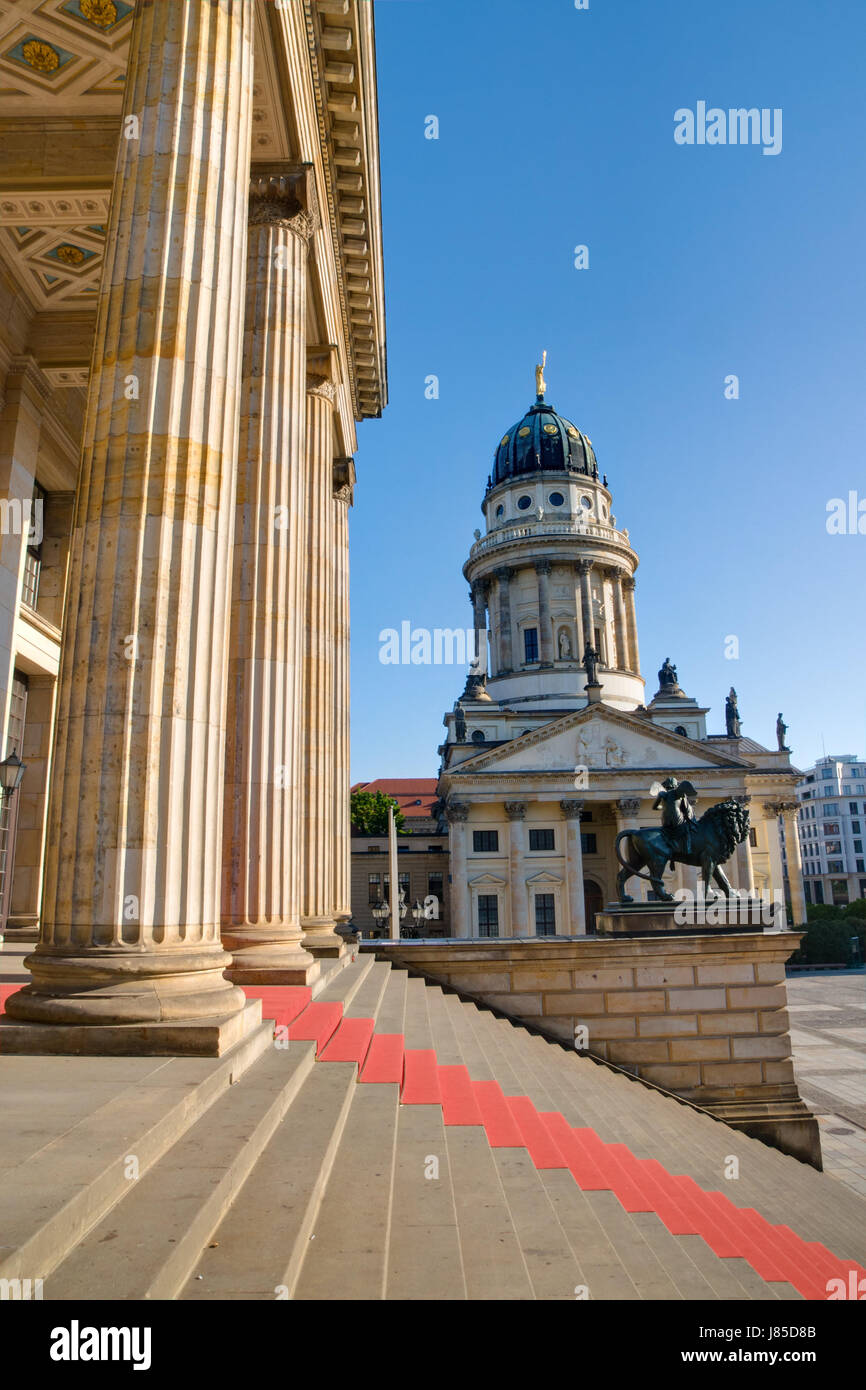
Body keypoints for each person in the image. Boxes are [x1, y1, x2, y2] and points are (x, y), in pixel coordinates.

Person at [653, 775, 698, 857]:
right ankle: (687, 849)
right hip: (676, 819)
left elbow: (654, 807)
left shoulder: (662, 794)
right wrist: (691, 819)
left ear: (665, 786)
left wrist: (663, 807)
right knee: (687, 828)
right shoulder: (679, 794)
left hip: (665, 821)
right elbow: (686, 809)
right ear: (675, 786)